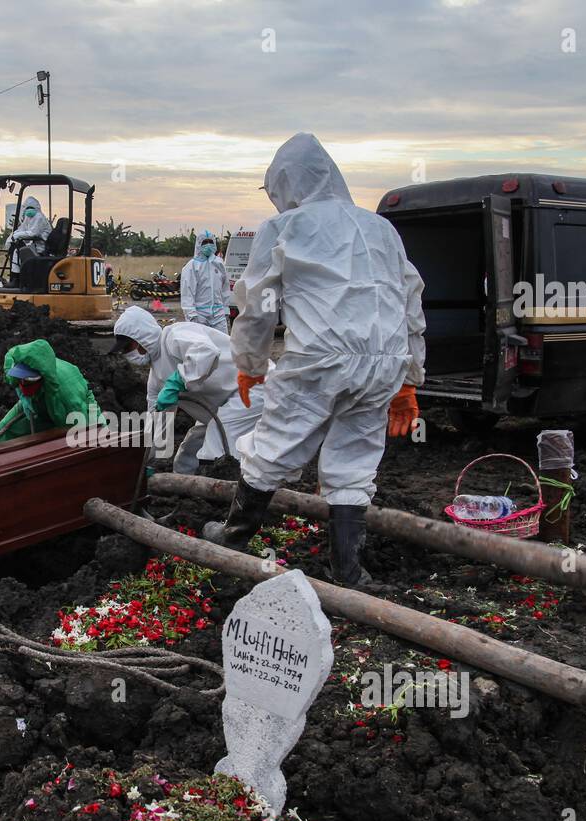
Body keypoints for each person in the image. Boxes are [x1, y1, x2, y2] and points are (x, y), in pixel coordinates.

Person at [203, 133, 426, 587]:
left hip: (321, 359)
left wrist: (249, 363)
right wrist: (408, 378)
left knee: (274, 446)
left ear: (286, 185)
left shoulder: (284, 228)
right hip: (384, 362)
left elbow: (259, 303)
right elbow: (410, 304)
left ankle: (234, 535)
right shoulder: (381, 228)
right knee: (356, 460)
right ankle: (348, 570)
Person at [111, 305, 266, 473]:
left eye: (128, 347)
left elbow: (207, 352)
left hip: (251, 388)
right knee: (187, 455)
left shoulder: (174, 336)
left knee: (215, 449)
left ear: (142, 338)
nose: (127, 354)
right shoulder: (156, 378)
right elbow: (157, 423)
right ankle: (185, 489)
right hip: (221, 405)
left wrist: (179, 380)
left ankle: (218, 491)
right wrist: (149, 461)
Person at [0, 339, 102, 444]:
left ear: (43, 378)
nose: (23, 385)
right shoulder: (18, 371)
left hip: (75, 408)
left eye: (29, 381)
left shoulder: (66, 397)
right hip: (38, 400)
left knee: (94, 439)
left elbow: (77, 432)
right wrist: (27, 403)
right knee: (3, 432)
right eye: (21, 380)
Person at [180, 228, 230, 333]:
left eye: (210, 242)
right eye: (205, 242)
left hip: (218, 313)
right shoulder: (192, 266)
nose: (208, 245)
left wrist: (225, 309)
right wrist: (191, 314)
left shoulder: (219, 263)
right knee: (202, 346)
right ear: (199, 244)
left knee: (223, 343)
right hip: (200, 314)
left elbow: (225, 288)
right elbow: (187, 292)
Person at [7, 196, 52, 284]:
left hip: (41, 247)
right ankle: (18, 279)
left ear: (36, 208)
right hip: (35, 244)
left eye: (31, 208)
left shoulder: (39, 217)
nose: (29, 210)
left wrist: (17, 236)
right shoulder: (29, 217)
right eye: (27, 208)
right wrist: (11, 237)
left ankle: (15, 280)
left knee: (17, 252)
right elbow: (22, 229)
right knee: (14, 248)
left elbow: (33, 233)